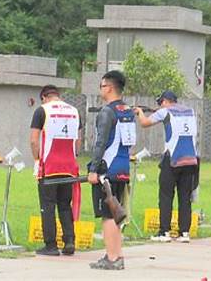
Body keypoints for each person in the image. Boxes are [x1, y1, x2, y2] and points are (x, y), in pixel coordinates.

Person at [134, 91, 198, 243]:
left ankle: (164, 232)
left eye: (160, 102)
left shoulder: (164, 111)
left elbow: (144, 123)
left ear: (164, 101)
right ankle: (184, 233)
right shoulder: (190, 111)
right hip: (191, 159)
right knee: (185, 198)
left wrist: (140, 112)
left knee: (166, 196)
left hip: (172, 159)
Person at [88, 70, 135, 270]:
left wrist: (94, 169)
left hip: (107, 171)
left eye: (101, 86)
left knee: (107, 216)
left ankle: (113, 258)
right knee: (116, 215)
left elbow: (101, 143)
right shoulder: (128, 110)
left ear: (109, 87)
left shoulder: (107, 112)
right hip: (123, 168)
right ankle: (117, 255)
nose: (101, 90)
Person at [30, 85, 82, 256]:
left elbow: (34, 140)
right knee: (65, 206)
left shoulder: (42, 111)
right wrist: (73, 157)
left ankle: (51, 245)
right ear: (58, 95)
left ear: (44, 97)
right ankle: (69, 241)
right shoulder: (74, 111)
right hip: (69, 167)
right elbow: (78, 141)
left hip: (49, 166)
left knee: (48, 206)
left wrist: (37, 159)